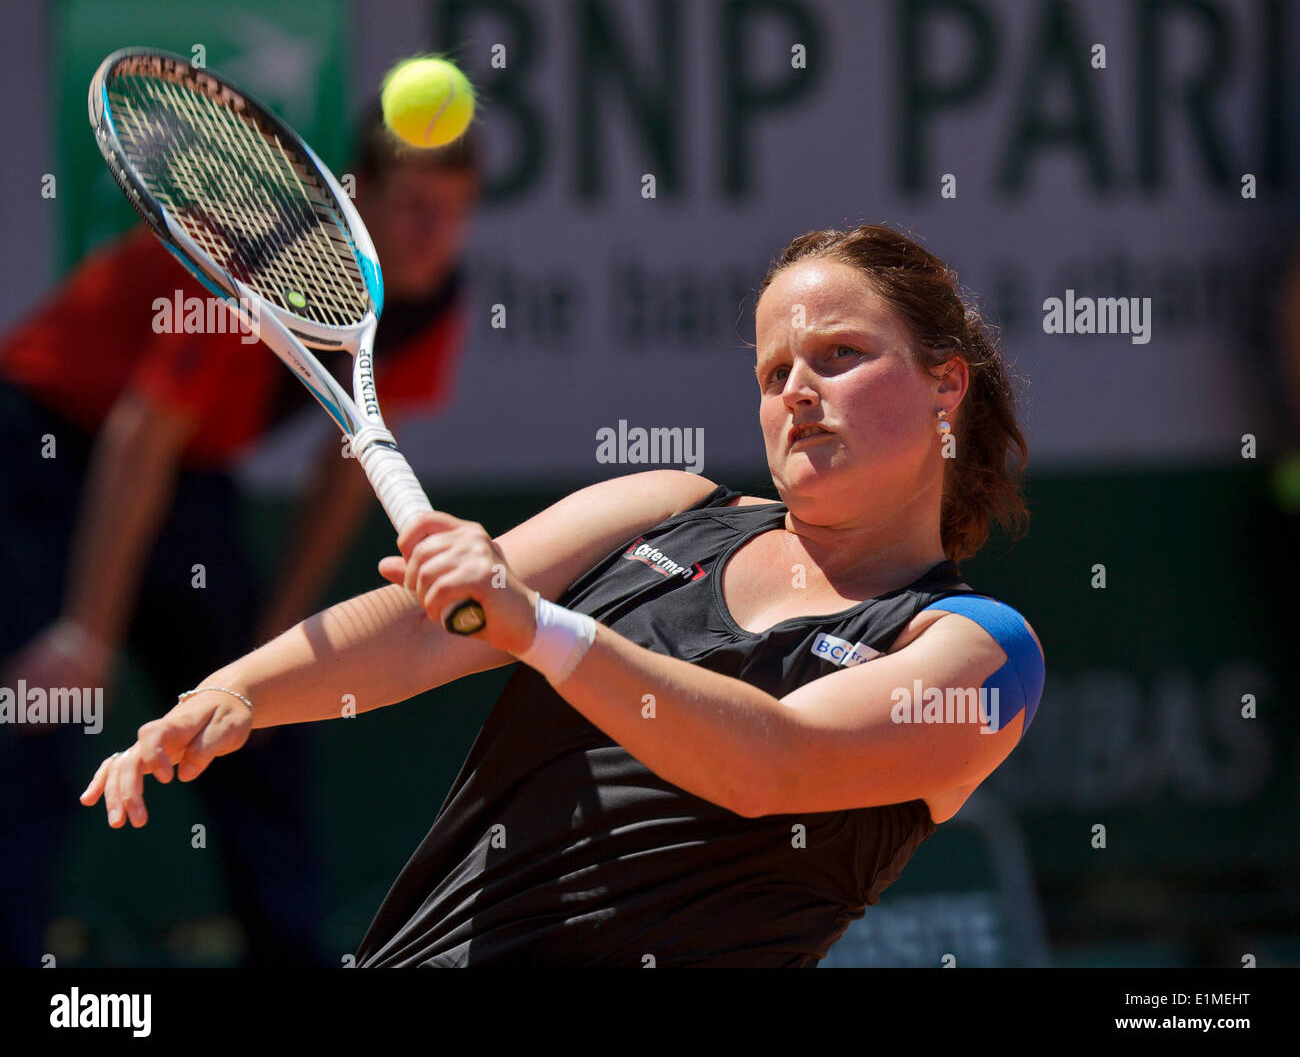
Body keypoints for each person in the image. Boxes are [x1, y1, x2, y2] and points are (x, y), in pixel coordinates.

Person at [81, 224, 1046, 967]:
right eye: (772, 371)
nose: (797, 389)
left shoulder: (981, 652)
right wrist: (236, 693)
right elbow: (426, 628)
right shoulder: (662, 506)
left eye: (840, 355)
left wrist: (538, 627)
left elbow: (771, 765)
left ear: (945, 386)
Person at [0, 102, 481, 966]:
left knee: (264, 703)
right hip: (41, 448)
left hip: (189, 477)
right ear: (358, 196)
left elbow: (345, 472)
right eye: (412, 204)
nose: (431, 234)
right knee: (46, 710)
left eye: (453, 210)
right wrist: (87, 631)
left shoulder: (427, 298)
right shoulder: (243, 252)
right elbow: (141, 435)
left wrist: (281, 628)